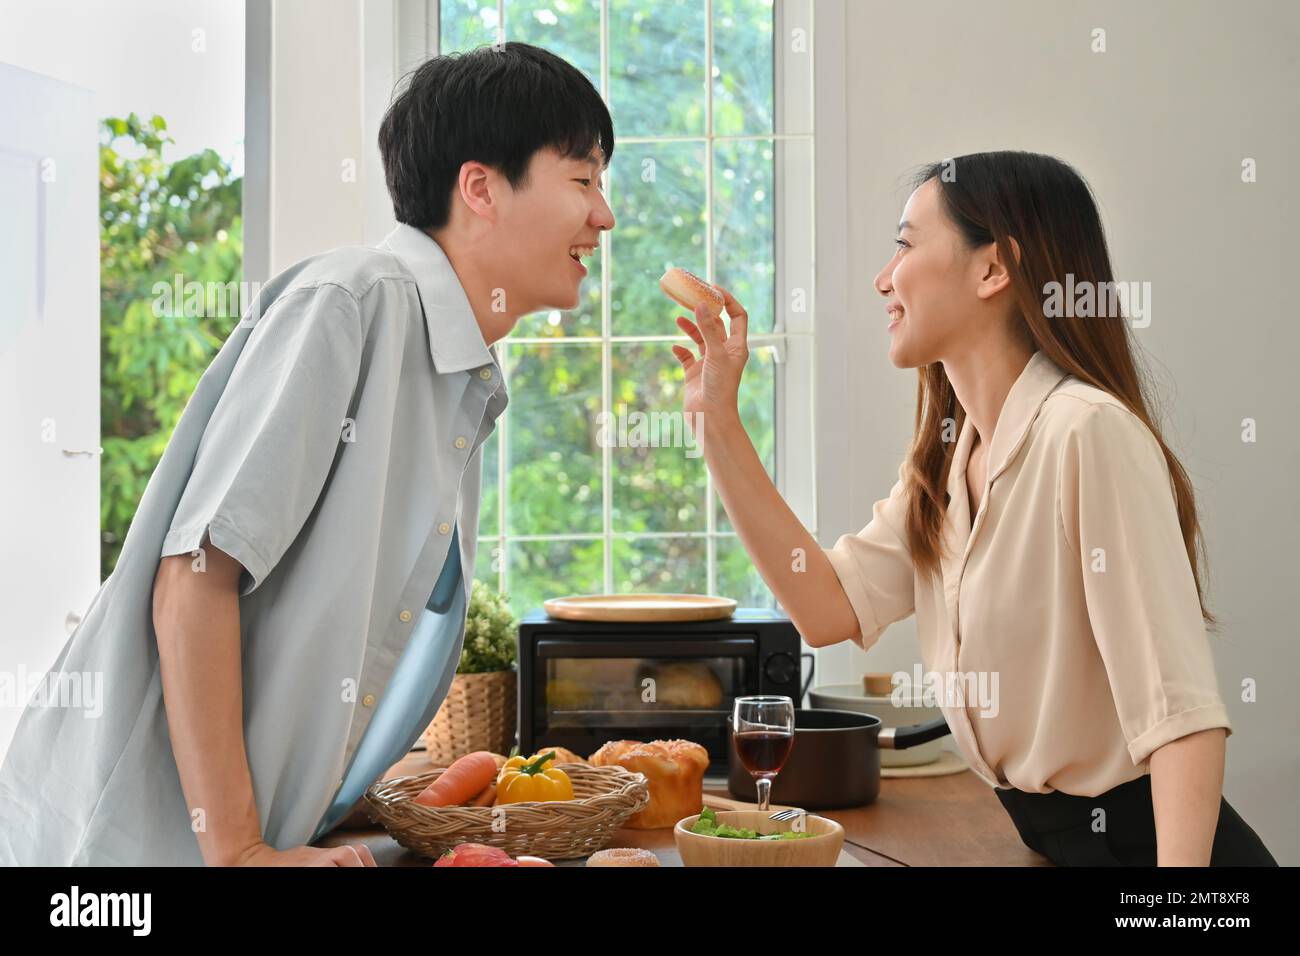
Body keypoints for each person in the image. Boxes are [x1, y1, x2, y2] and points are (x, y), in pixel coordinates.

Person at [0, 41, 615, 866]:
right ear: (480, 188)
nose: (603, 215)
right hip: (125, 847)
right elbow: (192, 580)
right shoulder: (353, 304)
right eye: (583, 180)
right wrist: (242, 852)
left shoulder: (461, 377)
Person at [674, 150, 1277, 867]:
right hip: (1048, 840)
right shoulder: (948, 461)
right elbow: (825, 605)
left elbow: (1182, 720)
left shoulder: (1086, 434)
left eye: (903, 244)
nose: (882, 278)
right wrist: (718, 422)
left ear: (994, 269)